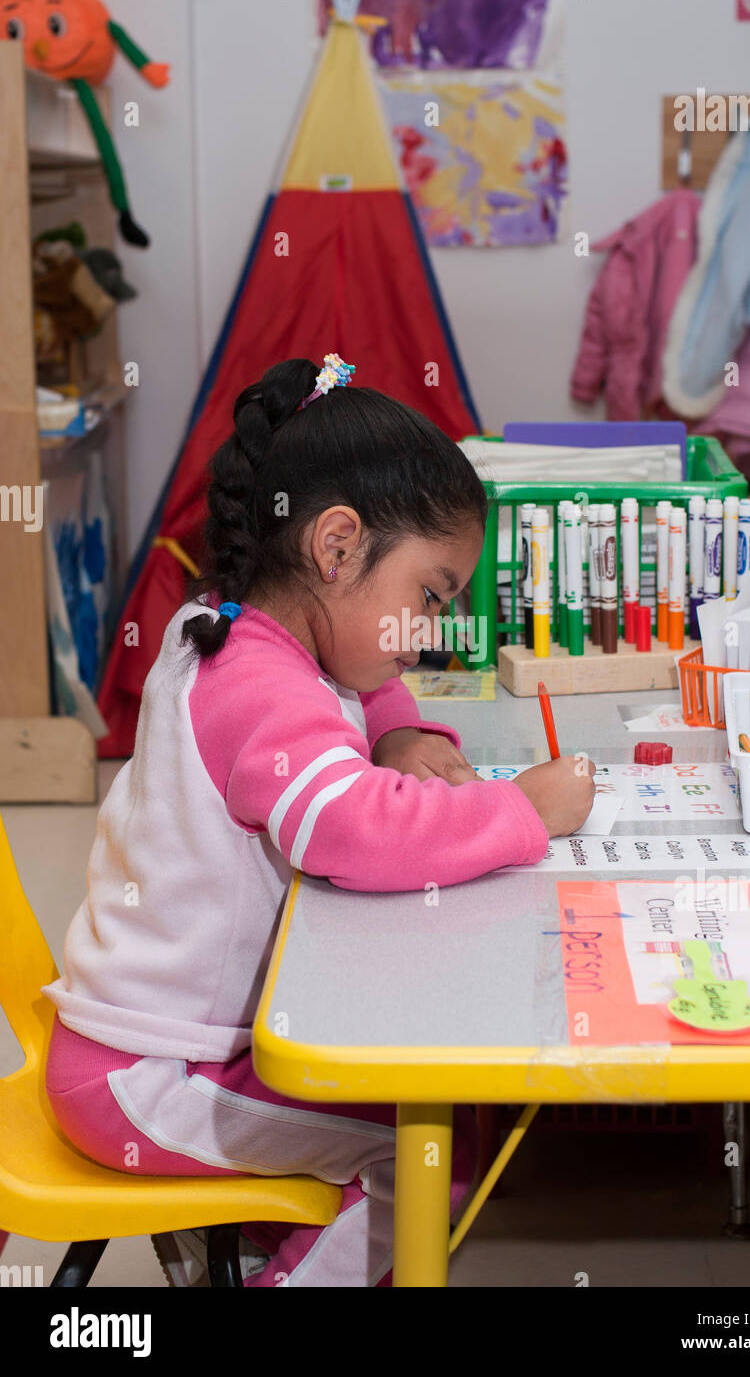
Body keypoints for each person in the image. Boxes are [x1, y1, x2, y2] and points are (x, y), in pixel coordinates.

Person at [41, 355, 596, 1287]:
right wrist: (516, 809)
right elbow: (352, 833)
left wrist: (398, 727)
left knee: (431, 1110)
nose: (427, 634)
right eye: (429, 597)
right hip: (149, 1080)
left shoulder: (228, 624)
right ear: (337, 546)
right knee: (434, 1157)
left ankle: (273, 1238)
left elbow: (336, 694)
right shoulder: (253, 682)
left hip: (144, 1050)